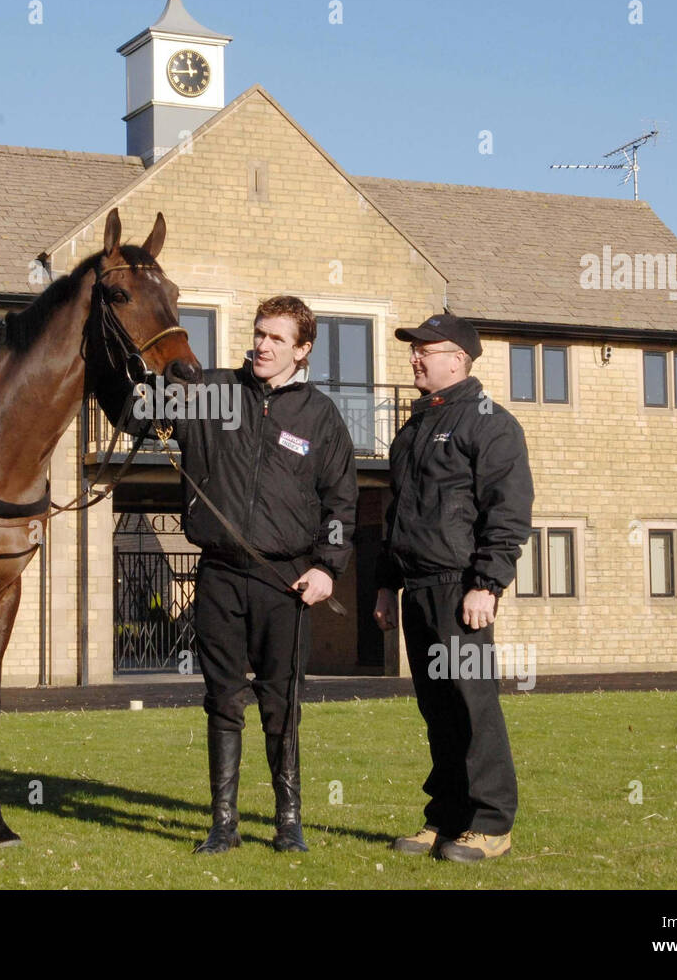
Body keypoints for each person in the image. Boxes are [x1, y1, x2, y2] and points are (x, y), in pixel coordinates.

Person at [166, 296, 358, 854]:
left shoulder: (320, 417)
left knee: (281, 704)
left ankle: (288, 819)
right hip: (219, 575)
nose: (262, 346)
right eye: (258, 334)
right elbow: (141, 411)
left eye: (276, 339)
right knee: (222, 701)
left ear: (302, 350)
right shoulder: (216, 393)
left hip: (286, 582)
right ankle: (222, 824)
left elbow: (342, 505)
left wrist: (328, 567)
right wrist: (161, 379)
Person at [373, 313, 533, 863]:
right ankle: (445, 819)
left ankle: (491, 824)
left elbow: (508, 513)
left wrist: (487, 584)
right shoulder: (414, 428)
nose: (414, 357)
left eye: (425, 349)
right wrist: (383, 587)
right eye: (413, 349)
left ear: (458, 358)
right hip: (416, 590)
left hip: (460, 590)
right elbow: (397, 516)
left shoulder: (491, 424)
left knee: (472, 705)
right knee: (436, 710)